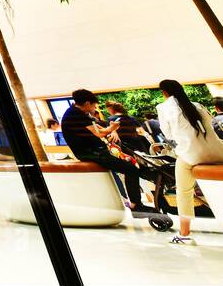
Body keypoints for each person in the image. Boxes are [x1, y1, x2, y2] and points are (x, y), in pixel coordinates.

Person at [61, 89, 154, 213]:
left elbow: (99, 127)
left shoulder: (76, 113)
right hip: (92, 153)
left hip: (96, 151)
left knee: (133, 166)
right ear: (88, 103)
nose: (95, 108)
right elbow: (99, 133)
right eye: (94, 105)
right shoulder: (76, 114)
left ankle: (136, 203)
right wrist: (113, 128)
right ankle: (136, 205)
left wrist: (111, 129)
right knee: (131, 169)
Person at [156, 79, 223, 245]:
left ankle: (184, 233)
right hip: (218, 152)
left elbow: (168, 135)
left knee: (183, 192)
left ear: (164, 92)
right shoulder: (197, 105)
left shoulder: (163, 108)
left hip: (191, 156)